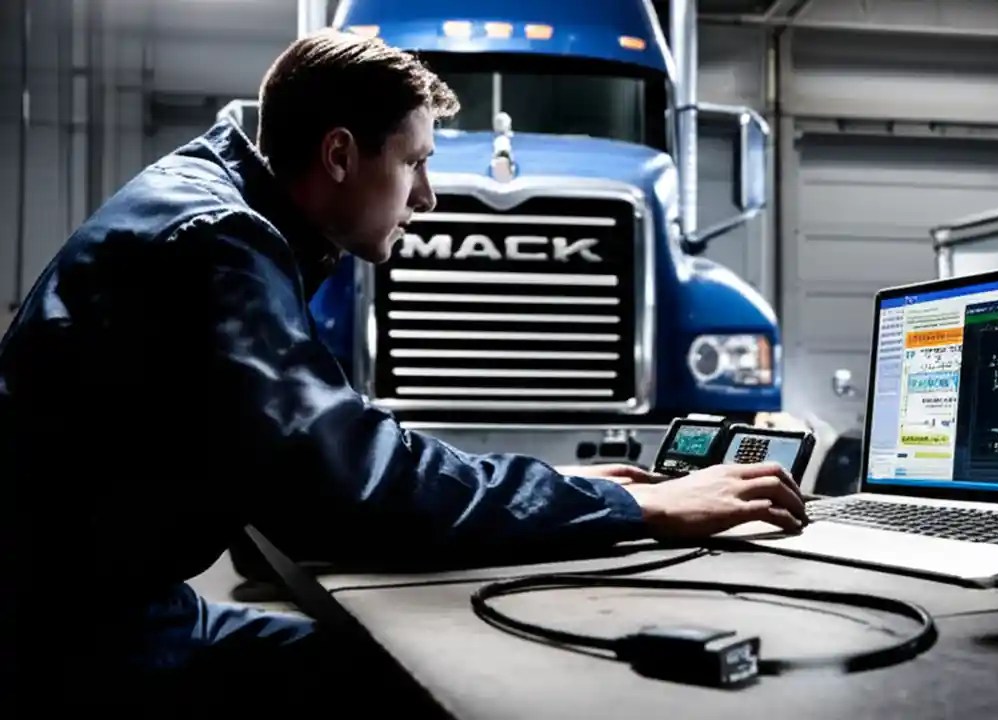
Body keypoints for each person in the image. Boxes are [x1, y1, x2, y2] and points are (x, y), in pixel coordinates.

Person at [0, 29, 805, 710]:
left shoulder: (214, 207)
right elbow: (355, 485)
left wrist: (573, 488)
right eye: (416, 162)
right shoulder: (221, 243)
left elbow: (341, 447)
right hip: (80, 644)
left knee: (385, 660)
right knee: (446, 684)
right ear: (342, 154)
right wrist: (632, 510)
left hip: (110, 611)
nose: (428, 198)